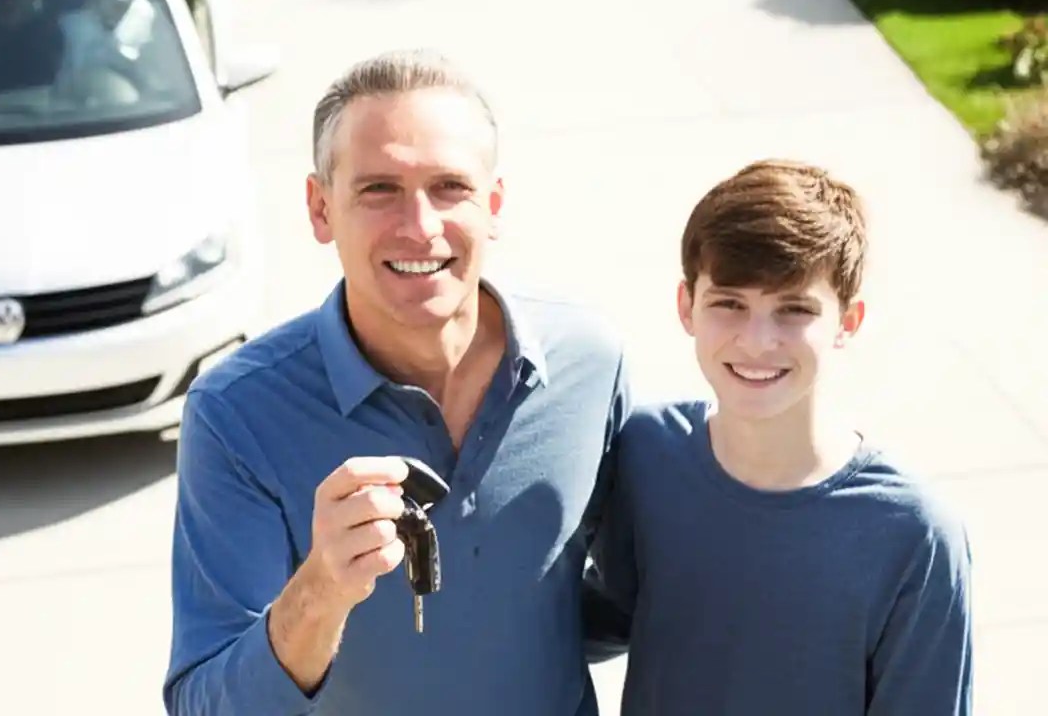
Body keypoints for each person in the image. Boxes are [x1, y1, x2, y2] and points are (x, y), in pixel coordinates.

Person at [163, 49, 631, 715]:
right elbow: (203, 704)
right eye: (378, 189)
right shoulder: (235, 415)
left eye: (450, 187)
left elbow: (632, 599)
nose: (420, 228)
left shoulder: (591, 362)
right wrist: (321, 589)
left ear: (493, 205)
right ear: (320, 209)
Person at [589, 159, 973, 715]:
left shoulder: (913, 533)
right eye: (729, 303)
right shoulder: (648, 454)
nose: (757, 341)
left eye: (794, 310)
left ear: (848, 322)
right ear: (686, 305)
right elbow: (600, 616)